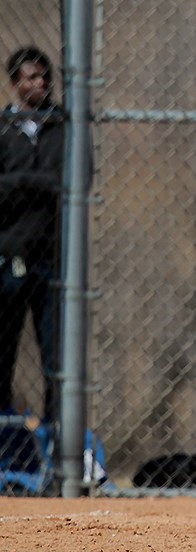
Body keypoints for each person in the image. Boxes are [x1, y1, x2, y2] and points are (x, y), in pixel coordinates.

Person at [0, 47, 65, 421]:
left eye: (44, 77)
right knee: (3, 355)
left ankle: (58, 445)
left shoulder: (61, 127)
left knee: (56, 362)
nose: (40, 83)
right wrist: (34, 183)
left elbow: (72, 181)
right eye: (31, 77)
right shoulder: (4, 129)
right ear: (15, 84)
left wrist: (17, 182)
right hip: (8, 256)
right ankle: (6, 440)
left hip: (52, 259)